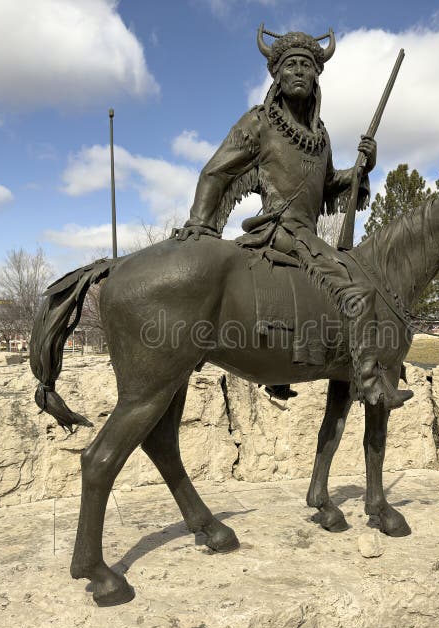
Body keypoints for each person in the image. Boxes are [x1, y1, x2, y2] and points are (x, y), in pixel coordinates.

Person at [174, 26, 412, 409]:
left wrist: (361, 167)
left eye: (306, 65)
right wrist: (200, 226)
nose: (299, 71)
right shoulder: (258, 123)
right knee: (359, 292)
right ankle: (371, 381)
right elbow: (215, 172)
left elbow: (331, 185)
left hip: (308, 233)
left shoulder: (321, 137)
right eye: (291, 65)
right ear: (277, 75)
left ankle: (287, 369)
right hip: (279, 231)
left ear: (317, 76)